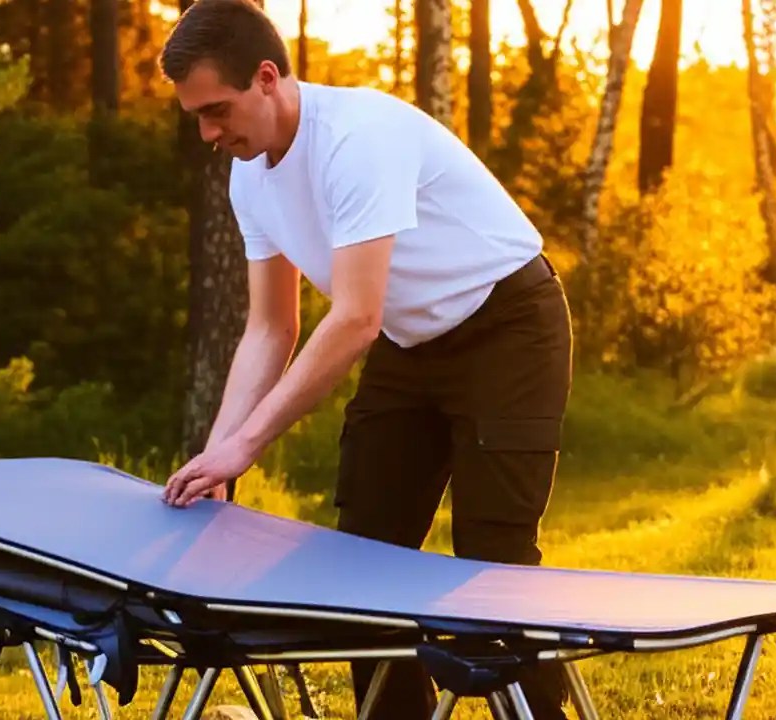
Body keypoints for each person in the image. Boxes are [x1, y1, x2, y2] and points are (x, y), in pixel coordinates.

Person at [157, 1, 574, 717]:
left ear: (266, 77)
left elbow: (353, 318)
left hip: (508, 328)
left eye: (218, 110)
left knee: (493, 563)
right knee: (359, 567)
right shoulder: (248, 178)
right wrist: (219, 457)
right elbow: (269, 328)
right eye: (197, 116)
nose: (209, 133)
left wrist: (250, 445)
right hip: (411, 345)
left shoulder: (356, 138)